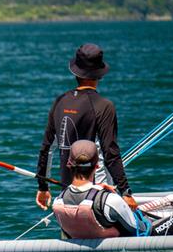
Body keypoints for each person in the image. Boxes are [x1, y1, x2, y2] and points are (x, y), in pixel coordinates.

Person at [35, 43, 137, 213]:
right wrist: (125, 191)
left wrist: (43, 187)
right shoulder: (104, 106)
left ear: (75, 72)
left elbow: (46, 149)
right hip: (97, 198)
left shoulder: (59, 102)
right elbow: (110, 153)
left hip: (67, 196)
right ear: (100, 74)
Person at [52, 140, 173, 240]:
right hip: (129, 249)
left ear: (69, 164)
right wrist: (114, 197)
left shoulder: (59, 201)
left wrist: (100, 193)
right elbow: (138, 230)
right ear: (97, 166)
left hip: (97, 250)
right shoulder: (108, 200)